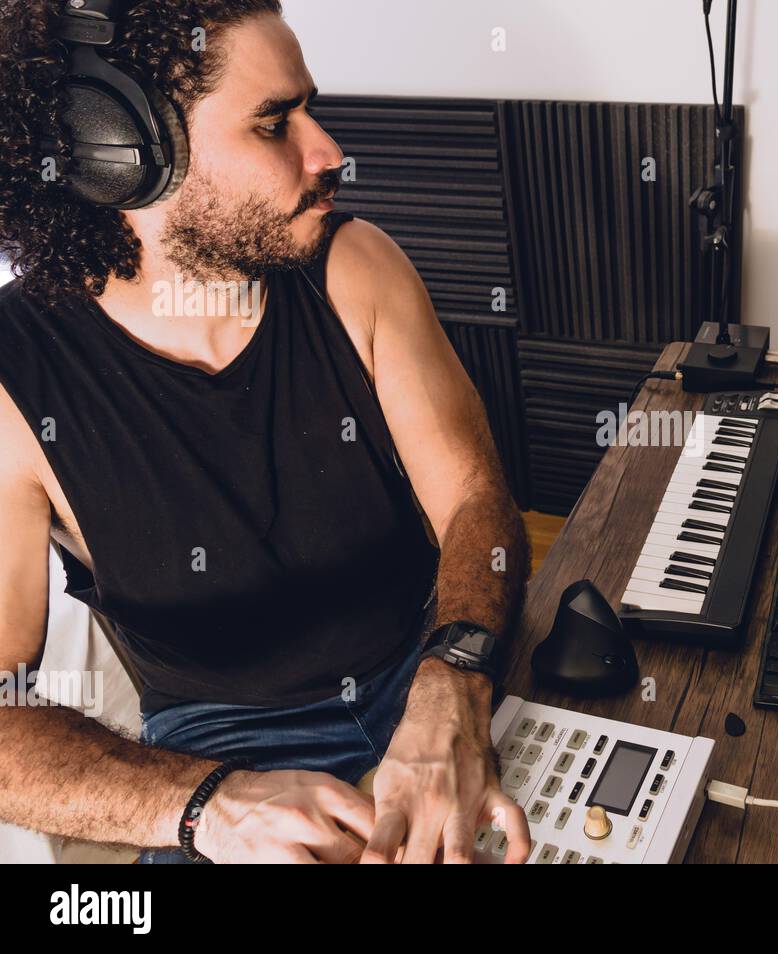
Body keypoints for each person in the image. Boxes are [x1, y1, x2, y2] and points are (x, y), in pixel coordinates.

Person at [0, 0, 530, 863]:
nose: (327, 152)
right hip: (214, 758)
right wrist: (209, 806)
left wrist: (453, 678)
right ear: (120, 154)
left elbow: (476, 502)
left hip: (425, 670)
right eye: (275, 123)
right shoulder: (12, 387)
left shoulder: (358, 268)